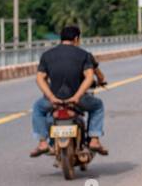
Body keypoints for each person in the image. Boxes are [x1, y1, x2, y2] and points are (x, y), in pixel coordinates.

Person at [30, 25, 108, 157]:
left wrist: (51, 97)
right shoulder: (84, 55)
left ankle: (43, 143)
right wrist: (77, 96)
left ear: (61, 38)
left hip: (54, 101)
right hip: (77, 100)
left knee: (38, 108)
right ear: (76, 39)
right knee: (97, 106)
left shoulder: (47, 55)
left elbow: (39, 78)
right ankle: (94, 140)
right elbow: (89, 77)